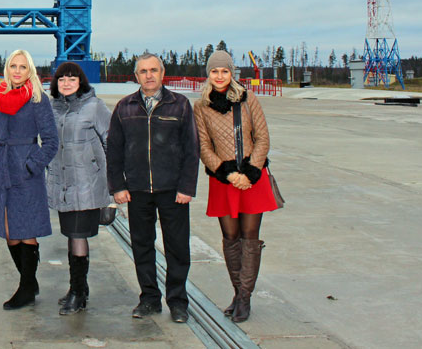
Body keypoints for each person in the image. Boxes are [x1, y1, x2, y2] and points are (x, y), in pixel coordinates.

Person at [107, 52, 199, 323]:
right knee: (142, 246)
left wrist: (187, 187)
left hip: (172, 190)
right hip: (137, 190)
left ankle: (178, 302)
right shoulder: (125, 107)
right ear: (136, 76)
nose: (149, 75)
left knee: (178, 248)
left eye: (153, 70)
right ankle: (149, 298)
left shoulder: (180, 105)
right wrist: (118, 186)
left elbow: (191, 149)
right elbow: (114, 150)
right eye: (143, 71)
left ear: (162, 73)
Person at [193, 50, 277, 323]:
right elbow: (203, 145)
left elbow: (262, 137)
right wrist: (227, 173)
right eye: (215, 72)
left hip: (252, 179)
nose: (219, 77)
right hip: (223, 180)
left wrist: (250, 172)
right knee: (230, 238)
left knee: (249, 237)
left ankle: (244, 298)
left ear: (232, 73)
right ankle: (238, 292)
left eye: (224, 71)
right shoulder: (201, 106)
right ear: (209, 74)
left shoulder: (247, 99)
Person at [0, 49, 58, 310]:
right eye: (13, 66)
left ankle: (26, 287)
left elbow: (51, 141)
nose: (17, 71)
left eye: (22, 67)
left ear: (30, 71)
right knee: (9, 231)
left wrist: (31, 165)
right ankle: (29, 280)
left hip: (26, 172)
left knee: (26, 231)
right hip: (3, 168)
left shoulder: (38, 99)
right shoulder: (0, 96)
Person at [46, 61, 111, 316]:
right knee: (70, 235)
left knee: (77, 236)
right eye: (62, 79)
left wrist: (112, 183)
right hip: (62, 183)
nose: (66, 83)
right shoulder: (53, 108)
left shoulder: (94, 106)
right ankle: (78, 289)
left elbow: (110, 141)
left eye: (72, 79)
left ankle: (78, 292)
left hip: (87, 183)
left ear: (80, 81)